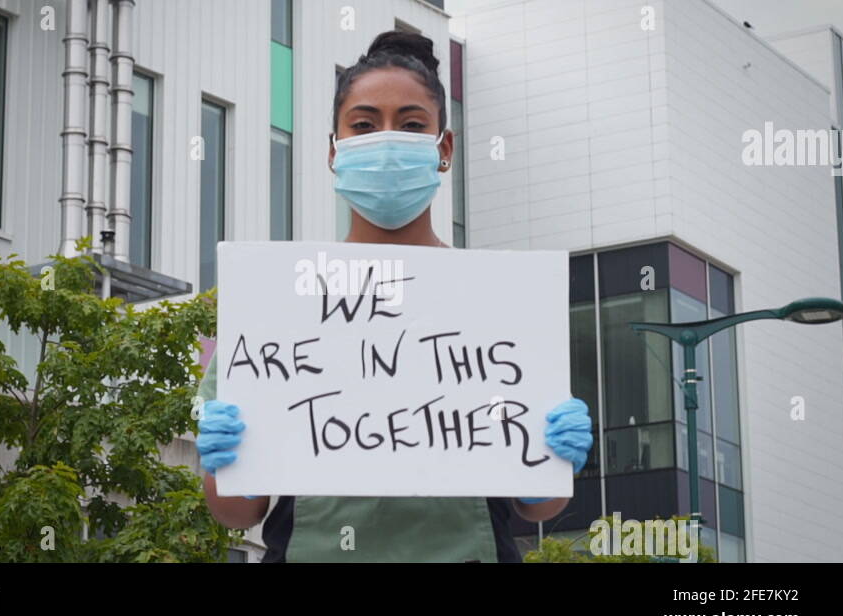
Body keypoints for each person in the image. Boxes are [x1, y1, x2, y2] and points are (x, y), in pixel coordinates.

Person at [195, 30, 593, 562]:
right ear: (334, 150)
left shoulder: (503, 301)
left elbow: (537, 507)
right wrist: (226, 463)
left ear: (443, 148)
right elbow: (240, 512)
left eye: (410, 124)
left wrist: (551, 460)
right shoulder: (278, 298)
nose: (385, 140)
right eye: (363, 124)